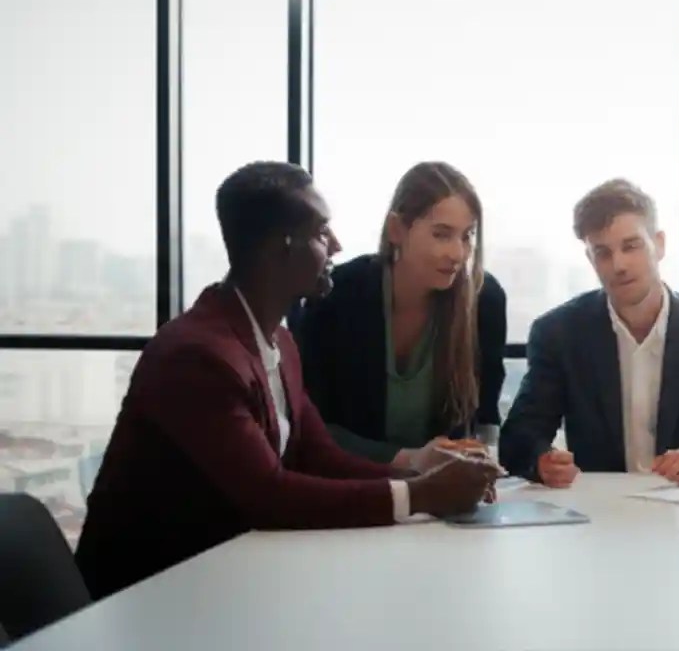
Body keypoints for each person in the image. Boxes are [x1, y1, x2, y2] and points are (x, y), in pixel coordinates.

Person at [75, 162, 499, 600]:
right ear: (281, 248)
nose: (335, 244)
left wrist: (424, 472)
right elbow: (269, 495)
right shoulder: (198, 355)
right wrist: (420, 494)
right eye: (320, 232)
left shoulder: (278, 342)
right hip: (146, 598)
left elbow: (321, 458)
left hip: (230, 579)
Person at [499, 179, 679, 487]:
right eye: (603, 253)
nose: (619, 264)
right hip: (598, 513)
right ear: (590, 259)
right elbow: (517, 441)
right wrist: (542, 461)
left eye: (631, 246)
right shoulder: (559, 334)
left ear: (659, 244)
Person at [290, 162, 507, 466]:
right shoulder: (337, 295)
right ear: (397, 230)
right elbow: (309, 427)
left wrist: (481, 461)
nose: (458, 253)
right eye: (441, 235)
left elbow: (485, 420)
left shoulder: (484, 300)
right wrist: (408, 459)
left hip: (444, 496)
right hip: (354, 486)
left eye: (467, 236)